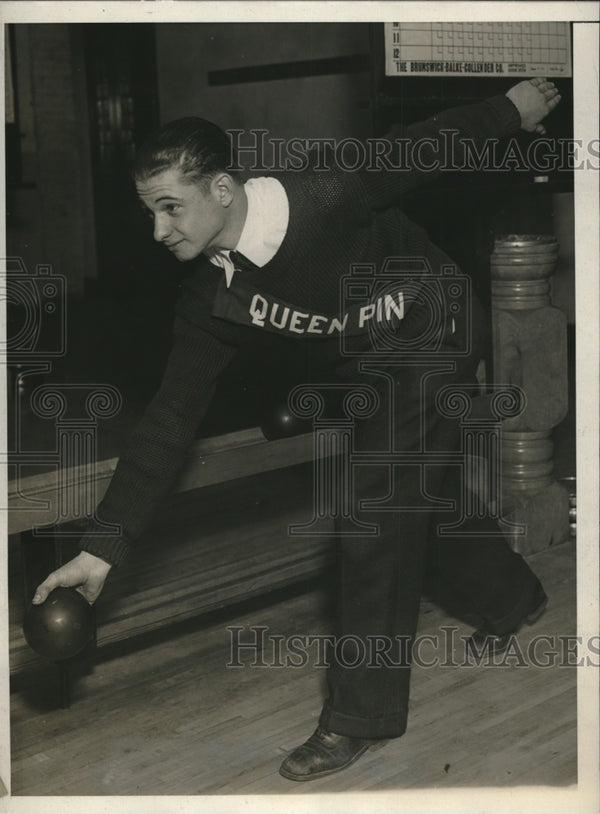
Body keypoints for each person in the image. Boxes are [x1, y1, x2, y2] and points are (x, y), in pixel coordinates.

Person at [33, 78, 561, 781]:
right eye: (149, 213)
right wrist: (101, 550)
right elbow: (165, 423)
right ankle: (514, 599)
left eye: (170, 207)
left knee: (373, 505)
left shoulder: (329, 191)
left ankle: (358, 718)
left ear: (222, 188)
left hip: (434, 328)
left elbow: (430, 145)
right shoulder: (210, 300)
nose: (158, 230)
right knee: (413, 488)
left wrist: (514, 108)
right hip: (363, 359)